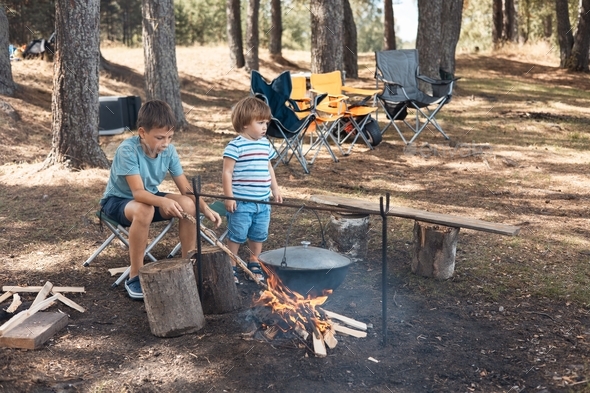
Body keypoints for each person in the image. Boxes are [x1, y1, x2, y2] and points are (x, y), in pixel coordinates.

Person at [100, 100, 221, 299]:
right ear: (142, 133)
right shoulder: (127, 150)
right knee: (144, 209)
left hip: (148, 198)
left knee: (188, 204)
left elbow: (186, 189)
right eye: (159, 137)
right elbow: (138, 193)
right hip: (118, 201)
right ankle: (136, 275)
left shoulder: (169, 151)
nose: (165, 143)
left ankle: (188, 266)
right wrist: (163, 201)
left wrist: (205, 208)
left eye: (170, 137)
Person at [222, 97, 283, 283]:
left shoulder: (265, 144)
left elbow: (269, 167)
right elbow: (227, 172)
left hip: (262, 202)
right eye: (260, 122)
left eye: (266, 122)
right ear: (245, 123)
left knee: (258, 234)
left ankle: (254, 261)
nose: (265, 127)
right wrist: (229, 197)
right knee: (237, 235)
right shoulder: (235, 145)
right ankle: (231, 264)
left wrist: (275, 188)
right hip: (241, 202)